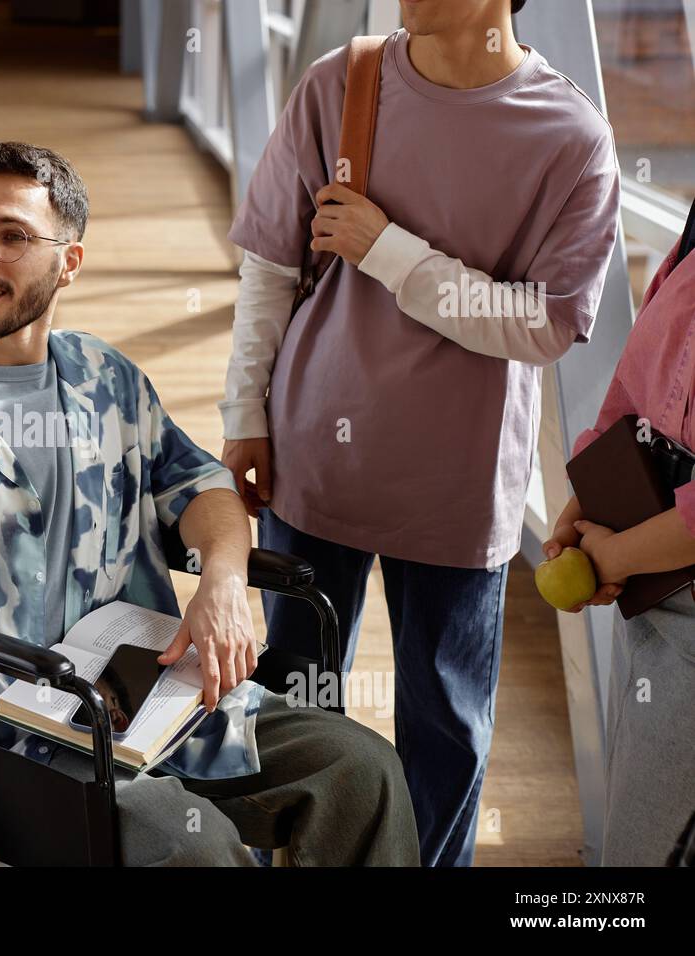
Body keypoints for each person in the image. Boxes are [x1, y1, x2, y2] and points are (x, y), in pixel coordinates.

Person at [0, 140, 420, 866]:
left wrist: (221, 581)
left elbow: (204, 484)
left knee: (360, 771)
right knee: (198, 849)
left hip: (150, 702)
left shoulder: (105, 379)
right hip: (5, 739)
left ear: (69, 262)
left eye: (11, 236)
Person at [218, 0, 621, 864]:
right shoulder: (342, 83)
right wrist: (244, 416)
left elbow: (544, 325)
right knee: (291, 705)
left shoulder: (572, 135)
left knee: (446, 725)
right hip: (313, 461)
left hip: (458, 488)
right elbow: (270, 268)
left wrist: (388, 250)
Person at [543, 200, 695, 865]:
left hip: (663, 571)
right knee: (637, 826)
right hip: (651, 583)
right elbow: (638, 380)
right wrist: (587, 500)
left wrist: (619, 554)